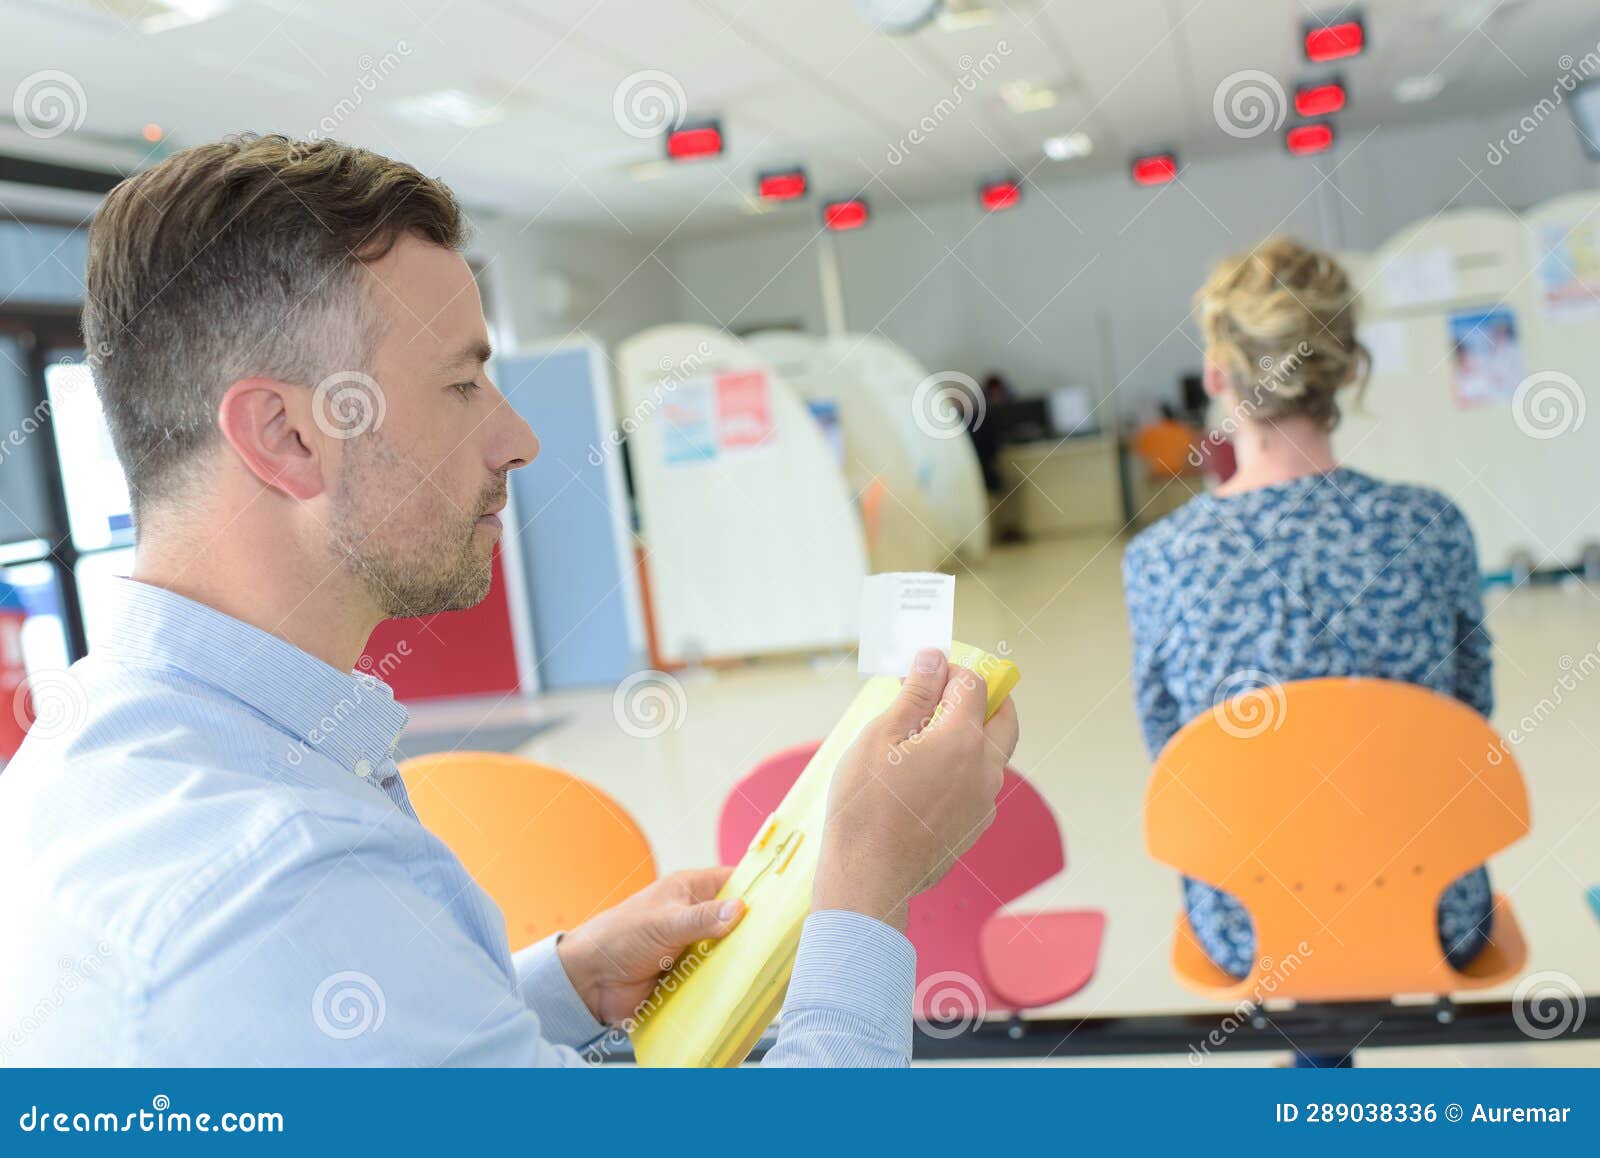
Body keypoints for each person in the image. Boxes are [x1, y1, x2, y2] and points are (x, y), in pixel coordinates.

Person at [0, 134, 1018, 1066]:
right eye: (460, 386)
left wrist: (560, 986)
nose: (519, 438)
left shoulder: (105, 752)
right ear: (287, 436)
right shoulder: (272, 888)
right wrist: (867, 889)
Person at [1121, 237, 1494, 1061]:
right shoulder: (1431, 526)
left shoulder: (1162, 560)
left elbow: (1175, 757)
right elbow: (1472, 721)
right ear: (1347, 370)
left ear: (1218, 377)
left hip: (1250, 919)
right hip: (1431, 904)